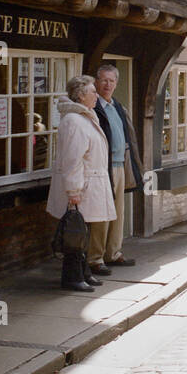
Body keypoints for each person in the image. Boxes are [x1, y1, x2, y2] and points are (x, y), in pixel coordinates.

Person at [46, 75, 116, 291]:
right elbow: (72, 159)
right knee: (75, 232)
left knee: (84, 231)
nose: (97, 95)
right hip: (82, 186)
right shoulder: (74, 121)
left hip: (91, 183)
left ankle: (83, 272)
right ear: (80, 95)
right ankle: (72, 277)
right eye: (92, 92)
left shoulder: (86, 116)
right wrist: (73, 190)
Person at [89, 63, 145, 277]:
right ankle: (95, 258)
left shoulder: (119, 107)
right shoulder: (93, 108)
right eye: (103, 80)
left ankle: (113, 253)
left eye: (111, 81)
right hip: (102, 168)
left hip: (120, 166)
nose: (107, 84)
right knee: (101, 214)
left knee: (118, 213)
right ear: (96, 82)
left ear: (116, 83)